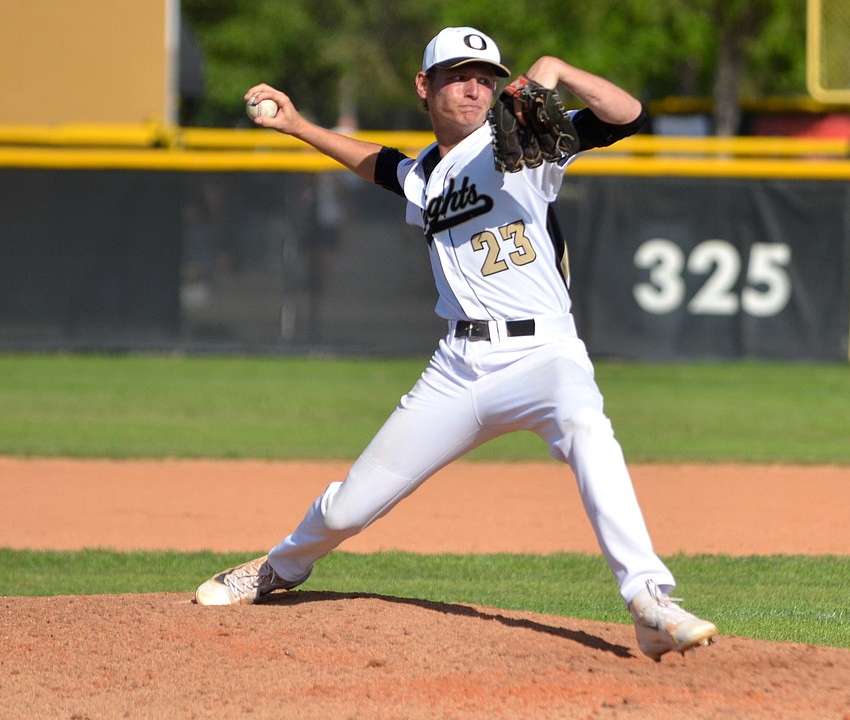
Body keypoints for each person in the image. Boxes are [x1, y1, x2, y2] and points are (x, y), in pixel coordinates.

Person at [194, 26, 717, 661]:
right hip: (458, 368)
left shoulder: (520, 141)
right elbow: (381, 165)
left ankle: (649, 600)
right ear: (425, 86)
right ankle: (278, 567)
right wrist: (300, 126)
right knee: (347, 510)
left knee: (587, 427)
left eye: (486, 77)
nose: (475, 87)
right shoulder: (425, 175)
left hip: (544, 355)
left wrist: (555, 67)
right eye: (458, 75)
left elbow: (628, 117)